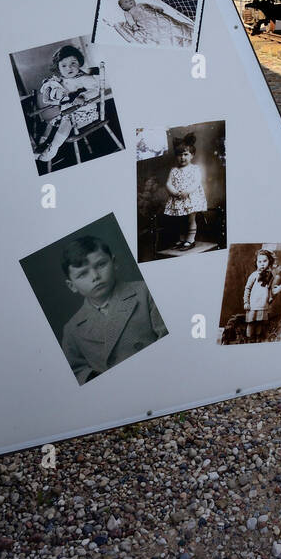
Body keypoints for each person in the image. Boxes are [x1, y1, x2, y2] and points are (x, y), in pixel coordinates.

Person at [60, 236, 167, 385]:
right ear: (72, 286)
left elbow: (167, 338)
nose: (95, 276)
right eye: (83, 274)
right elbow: (77, 371)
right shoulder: (72, 329)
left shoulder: (145, 291)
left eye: (101, 264)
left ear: (114, 262)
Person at [34, 45, 103, 164]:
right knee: (51, 123)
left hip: (85, 112)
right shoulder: (62, 80)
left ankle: (52, 148)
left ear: (79, 63)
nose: (69, 68)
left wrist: (83, 96)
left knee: (65, 123)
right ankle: (42, 146)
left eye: (73, 63)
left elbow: (96, 90)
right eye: (64, 65)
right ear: (59, 68)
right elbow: (56, 94)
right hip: (68, 112)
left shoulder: (84, 78)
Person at [229, 248, 281, 343]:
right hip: (253, 306)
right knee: (251, 324)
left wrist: (278, 289)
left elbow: (271, 290)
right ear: (256, 262)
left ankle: (257, 339)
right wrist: (246, 302)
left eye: (265, 261)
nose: (262, 264)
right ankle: (249, 339)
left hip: (263, 306)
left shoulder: (271, 276)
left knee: (260, 324)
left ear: (269, 262)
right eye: (259, 261)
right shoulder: (254, 275)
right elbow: (247, 288)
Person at [163, 133, 207, 250]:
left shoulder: (195, 169)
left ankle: (190, 240)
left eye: (185, 154)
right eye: (179, 155)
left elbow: (196, 182)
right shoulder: (174, 170)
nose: (182, 157)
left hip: (191, 198)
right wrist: (174, 192)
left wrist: (187, 191)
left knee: (190, 219)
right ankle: (182, 239)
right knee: (179, 220)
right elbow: (168, 183)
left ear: (192, 155)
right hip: (177, 198)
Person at [113, 0, 193, 47]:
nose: (130, 1)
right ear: (123, 7)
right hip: (146, 23)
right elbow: (130, 19)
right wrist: (133, 25)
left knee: (170, 24)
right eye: (126, 2)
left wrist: (158, 9)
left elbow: (151, 7)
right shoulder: (128, 12)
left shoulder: (142, 4)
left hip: (157, 17)